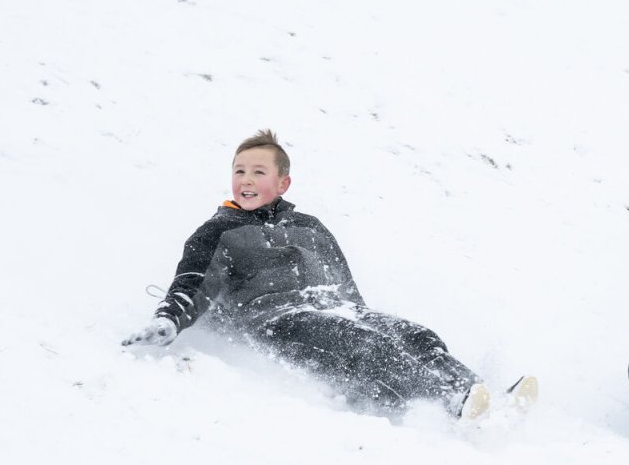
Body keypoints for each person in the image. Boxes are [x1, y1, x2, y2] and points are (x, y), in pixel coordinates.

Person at [123, 130, 534, 420]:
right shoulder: (218, 232)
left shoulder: (311, 227)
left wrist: (363, 313)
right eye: (240, 171)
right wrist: (169, 320)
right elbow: (192, 281)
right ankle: (449, 406)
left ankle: (482, 396)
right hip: (275, 320)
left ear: (283, 182)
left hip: (335, 308)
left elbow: (344, 285)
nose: (246, 180)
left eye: (258, 172)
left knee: (415, 334)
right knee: (365, 346)